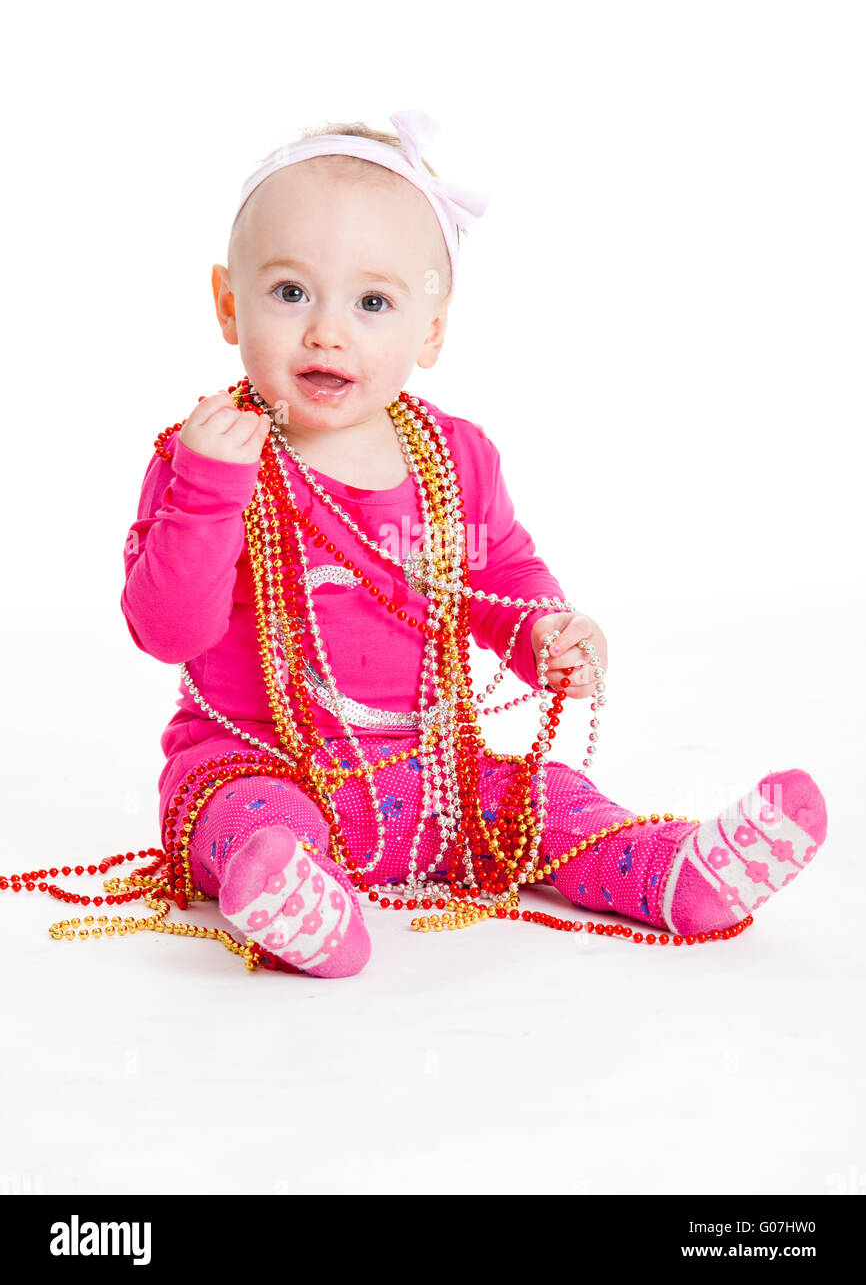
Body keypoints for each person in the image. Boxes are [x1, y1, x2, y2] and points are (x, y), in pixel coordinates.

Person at [121, 109, 827, 978]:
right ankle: (297, 901)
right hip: (257, 761)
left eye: (373, 302)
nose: (327, 331)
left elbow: (503, 577)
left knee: (545, 800)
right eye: (291, 293)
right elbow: (167, 631)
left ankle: (674, 872)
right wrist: (206, 496)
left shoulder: (455, 459)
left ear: (432, 331)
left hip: (433, 776)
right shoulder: (205, 461)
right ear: (230, 304)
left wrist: (545, 636)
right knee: (250, 818)